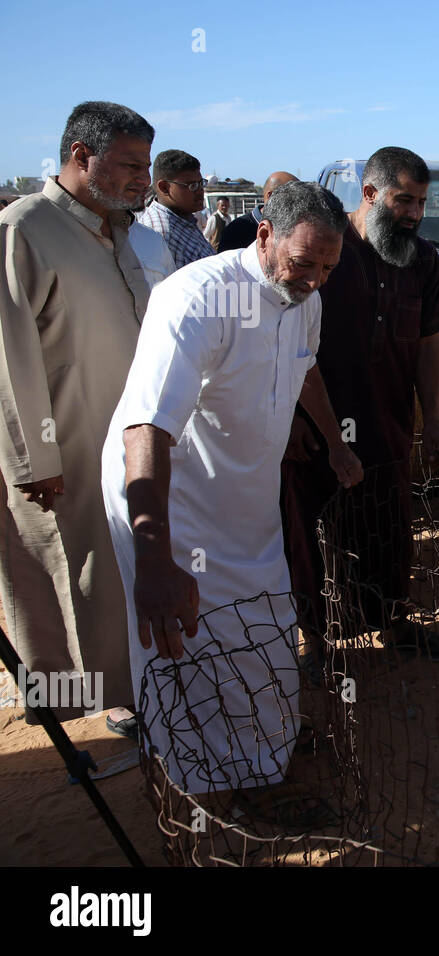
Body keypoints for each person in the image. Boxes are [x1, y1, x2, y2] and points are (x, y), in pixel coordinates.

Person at [100, 182, 363, 794]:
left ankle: (262, 762)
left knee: (263, 624)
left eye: (329, 268)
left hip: (245, 498)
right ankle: (203, 790)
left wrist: (334, 441)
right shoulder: (196, 298)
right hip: (172, 499)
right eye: (305, 263)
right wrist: (153, 558)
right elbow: (148, 427)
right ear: (264, 235)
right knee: (187, 641)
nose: (316, 280)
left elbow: (305, 367)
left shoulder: (305, 298)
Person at [0, 101, 154, 734]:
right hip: (62, 448)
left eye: (146, 164)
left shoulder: (118, 235)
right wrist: (35, 460)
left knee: (121, 576)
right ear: (81, 156)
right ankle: (85, 710)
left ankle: (133, 693)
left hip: (126, 446)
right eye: (129, 164)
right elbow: (9, 355)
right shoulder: (25, 228)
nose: (142, 178)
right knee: (68, 580)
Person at [280, 147, 439, 664]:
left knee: (388, 530)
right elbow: (287, 340)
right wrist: (292, 417)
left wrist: (435, 419)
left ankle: (393, 621)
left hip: (387, 424)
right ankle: (314, 641)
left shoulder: (422, 260)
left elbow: (429, 342)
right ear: (368, 194)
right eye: (404, 200)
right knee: (307, 535)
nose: (414, 214)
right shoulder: (326, 250)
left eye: (422, 203)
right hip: (317, 425)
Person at [135, 149, 214, 268]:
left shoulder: (183, 219)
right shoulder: (160, 233)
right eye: (192, 186)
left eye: (201, 183)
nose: (200, 191)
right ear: (164, 188)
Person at [218, 171, 297, 252]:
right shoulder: (236, 231)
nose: (298, 205)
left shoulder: (294, 229)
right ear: (271, 196)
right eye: (292, 198)